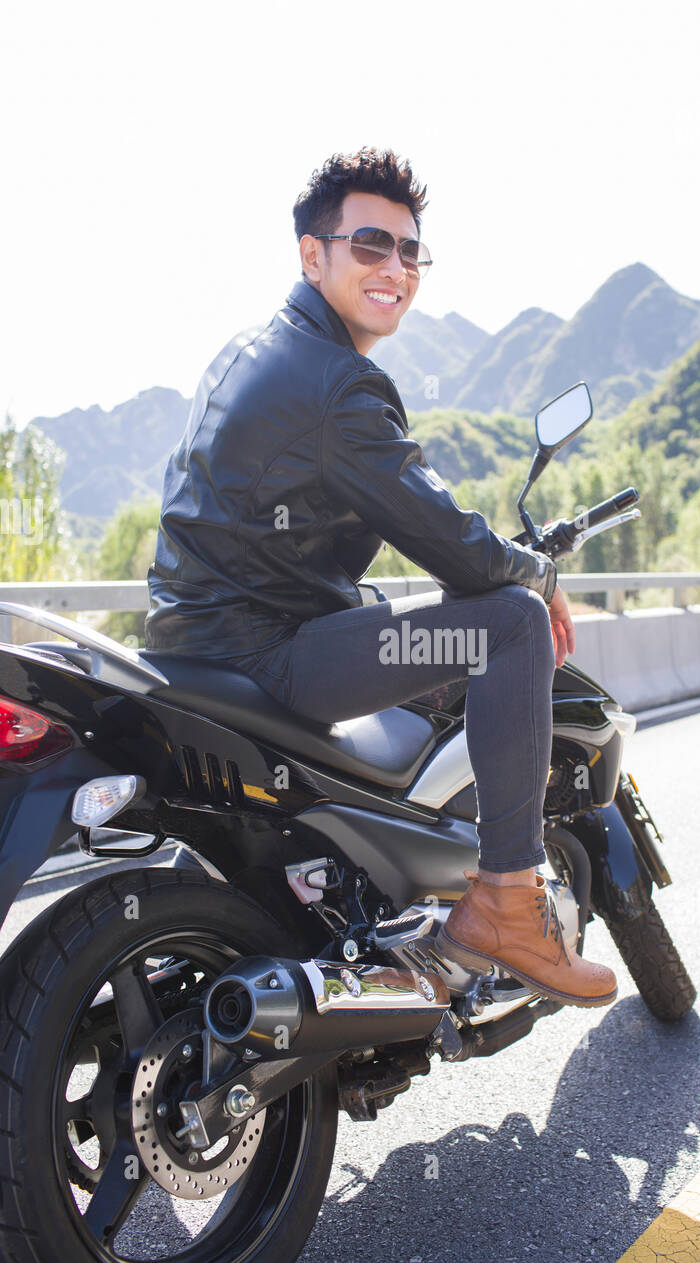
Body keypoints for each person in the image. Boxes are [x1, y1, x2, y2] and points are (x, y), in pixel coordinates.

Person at [144, 147, 616, 1009]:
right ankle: (508, 899)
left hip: (197, 639)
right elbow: (452, 543)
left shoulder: (256, 350)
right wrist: (541, 577)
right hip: (267, 656)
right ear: (311, 253)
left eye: (409, 251)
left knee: (399, 614)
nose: (394, 268)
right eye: (369, 245)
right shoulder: (338, 385)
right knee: (507, 620)